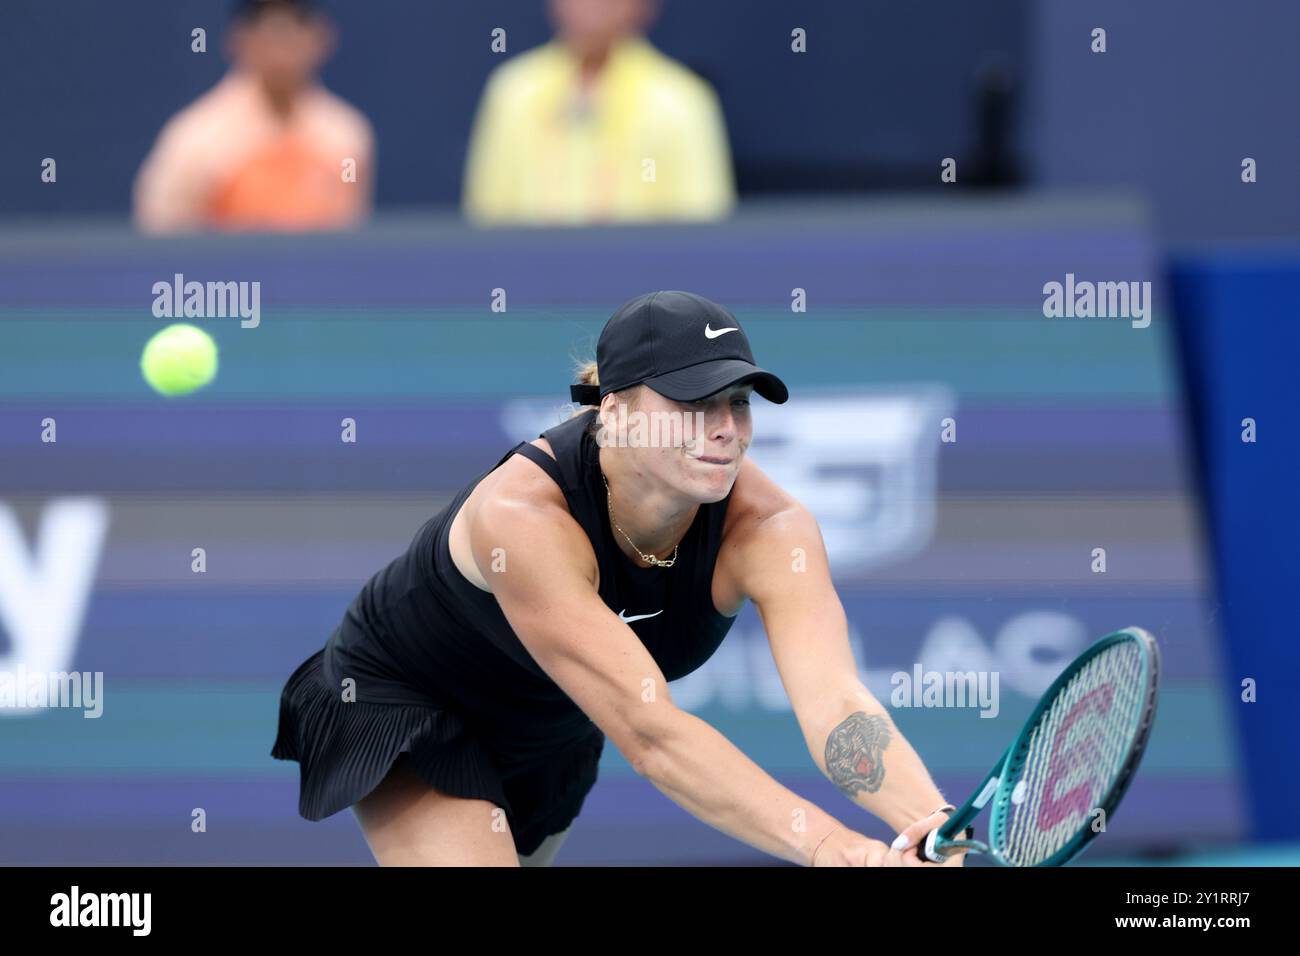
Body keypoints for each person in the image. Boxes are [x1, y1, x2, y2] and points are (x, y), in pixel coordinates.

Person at [271, 290, 968, 866]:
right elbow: (652, 734)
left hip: (553, 731)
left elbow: (838, 706)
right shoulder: (522, 517)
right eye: (694, 403)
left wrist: (932, 825)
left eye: (739, 403)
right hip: (410, 703)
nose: (724, 428)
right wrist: (835, 849)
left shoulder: (772, 530)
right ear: (614, 412)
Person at [461, 0, 736, 226]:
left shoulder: (682, 100)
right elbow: (486, 220)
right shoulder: (512, 92)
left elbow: (704, 230)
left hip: (644, 283)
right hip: (529, 283)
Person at [132, 0, 373, 234]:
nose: (283, 48)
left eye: (294, 29)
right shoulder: (195, 136)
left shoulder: (346, 133)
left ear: (322, 37)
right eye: (271, 32)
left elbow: (347, 233)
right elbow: (160, 231)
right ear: (239, 40)